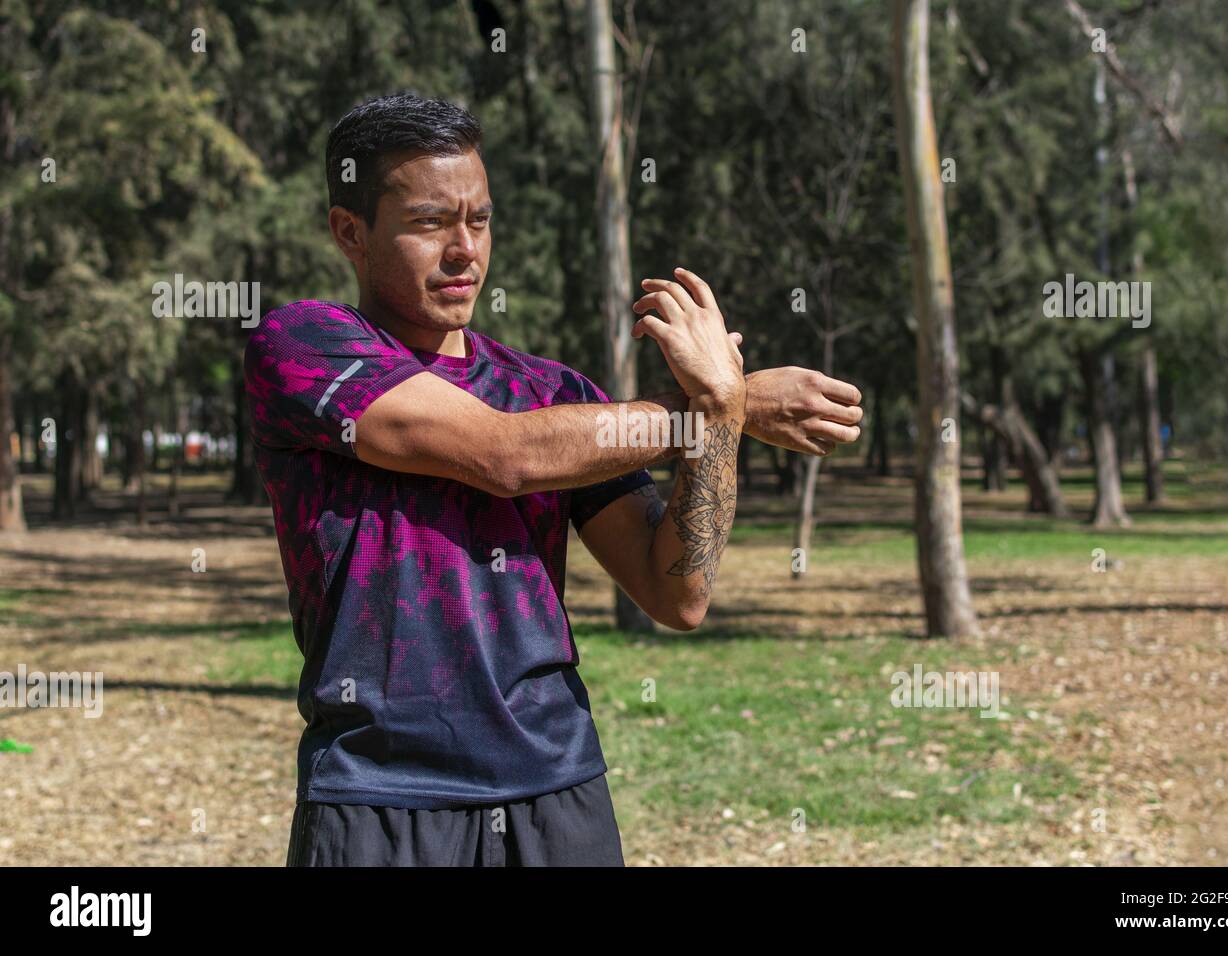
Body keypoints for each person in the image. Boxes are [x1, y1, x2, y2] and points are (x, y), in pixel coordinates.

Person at [245, 92, 863, 866]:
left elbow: (677, 594)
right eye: (431, 222)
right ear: (351, 233)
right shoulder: (303, 346)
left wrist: (723, 423)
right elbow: (504, 457)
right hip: (378, 795)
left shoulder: (553, 394)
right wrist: (729, 404)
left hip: (558, 795)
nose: (465, 249)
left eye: (480, 219)